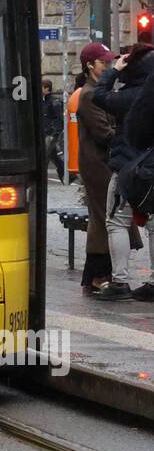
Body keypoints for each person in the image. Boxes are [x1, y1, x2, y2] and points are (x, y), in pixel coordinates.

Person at [91, 40, 154, 299]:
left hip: (127, 169)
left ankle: (120, 282)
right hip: (151, 167)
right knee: (153, 224)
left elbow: (99, 96)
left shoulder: (128, 96)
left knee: (116, 221)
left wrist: (113, 70)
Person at [75, 42, 115, 294]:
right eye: (103, 62)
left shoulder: (98, 90)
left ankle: (96, 274)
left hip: (101, 160)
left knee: (106, 217)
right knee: (103, 217)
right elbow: (103, 132)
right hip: (97, 163)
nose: (107, 66)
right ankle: (99, 275)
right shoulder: (88, 93)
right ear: (90, 65)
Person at [41, 78, 64, 178]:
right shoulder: (44, 101)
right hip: (47, 133)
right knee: (54, 156)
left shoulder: (54, 102)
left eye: (41, 87)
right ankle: (66, 174)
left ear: (47, 88)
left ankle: (41, 177)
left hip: (50, 134)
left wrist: (55, 134)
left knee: (44, 157)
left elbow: (60, 119)